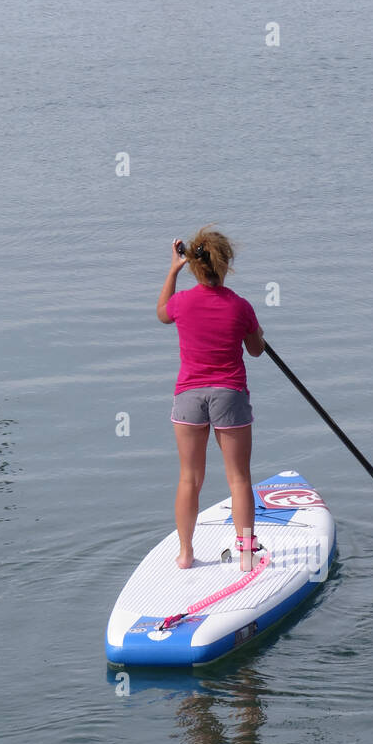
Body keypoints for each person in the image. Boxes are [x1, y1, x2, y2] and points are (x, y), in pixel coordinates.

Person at [157, 228, 265, 570]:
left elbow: (162, 312)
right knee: (239, 478)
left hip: (189, 395)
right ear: (226, 265)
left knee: (189, 477)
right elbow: (256, 350)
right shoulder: (240, 307)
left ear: (193, 265)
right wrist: (257, 331)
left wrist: (172, 270)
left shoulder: (182, 303)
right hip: (229, 396)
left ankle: (186, 554)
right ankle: (247, 555)